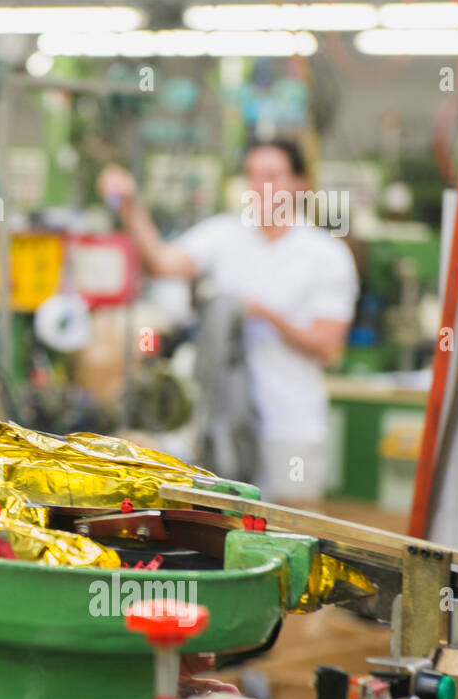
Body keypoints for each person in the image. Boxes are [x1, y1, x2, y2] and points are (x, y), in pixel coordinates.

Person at [98, 139, 358, 505]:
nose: (261, 187)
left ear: (300, 184)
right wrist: (129, 206)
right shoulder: (226, 235)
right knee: (226, 525)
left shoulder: (326, 255)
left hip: (291, 422)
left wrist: (261, 313)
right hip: (225, 426)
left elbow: (329, 347)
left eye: (273, 176)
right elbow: (162, 262)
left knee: (288, 533)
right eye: (253, 176)